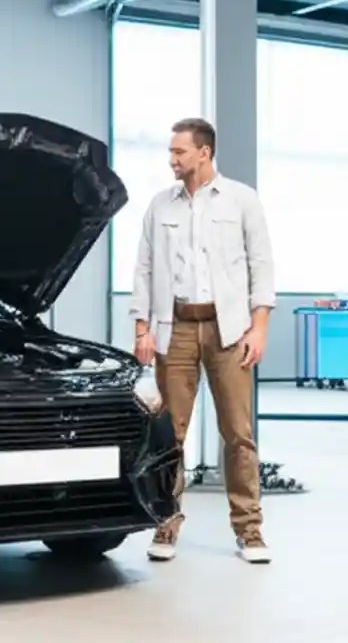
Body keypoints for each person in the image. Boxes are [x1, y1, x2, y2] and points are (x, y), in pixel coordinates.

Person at [130, 117, 275, 564]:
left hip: (229, 331)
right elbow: (144, 268)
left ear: (204, 153)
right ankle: (166, 524)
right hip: (175, 329)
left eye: (179, 152)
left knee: (238, 434)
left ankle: (249, 531)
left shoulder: (241, 200)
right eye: (171, 152)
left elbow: (261, 265)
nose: (171, 159)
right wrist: (142, 328)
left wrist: (259, 327)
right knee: (168, 435)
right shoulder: (160, 206)